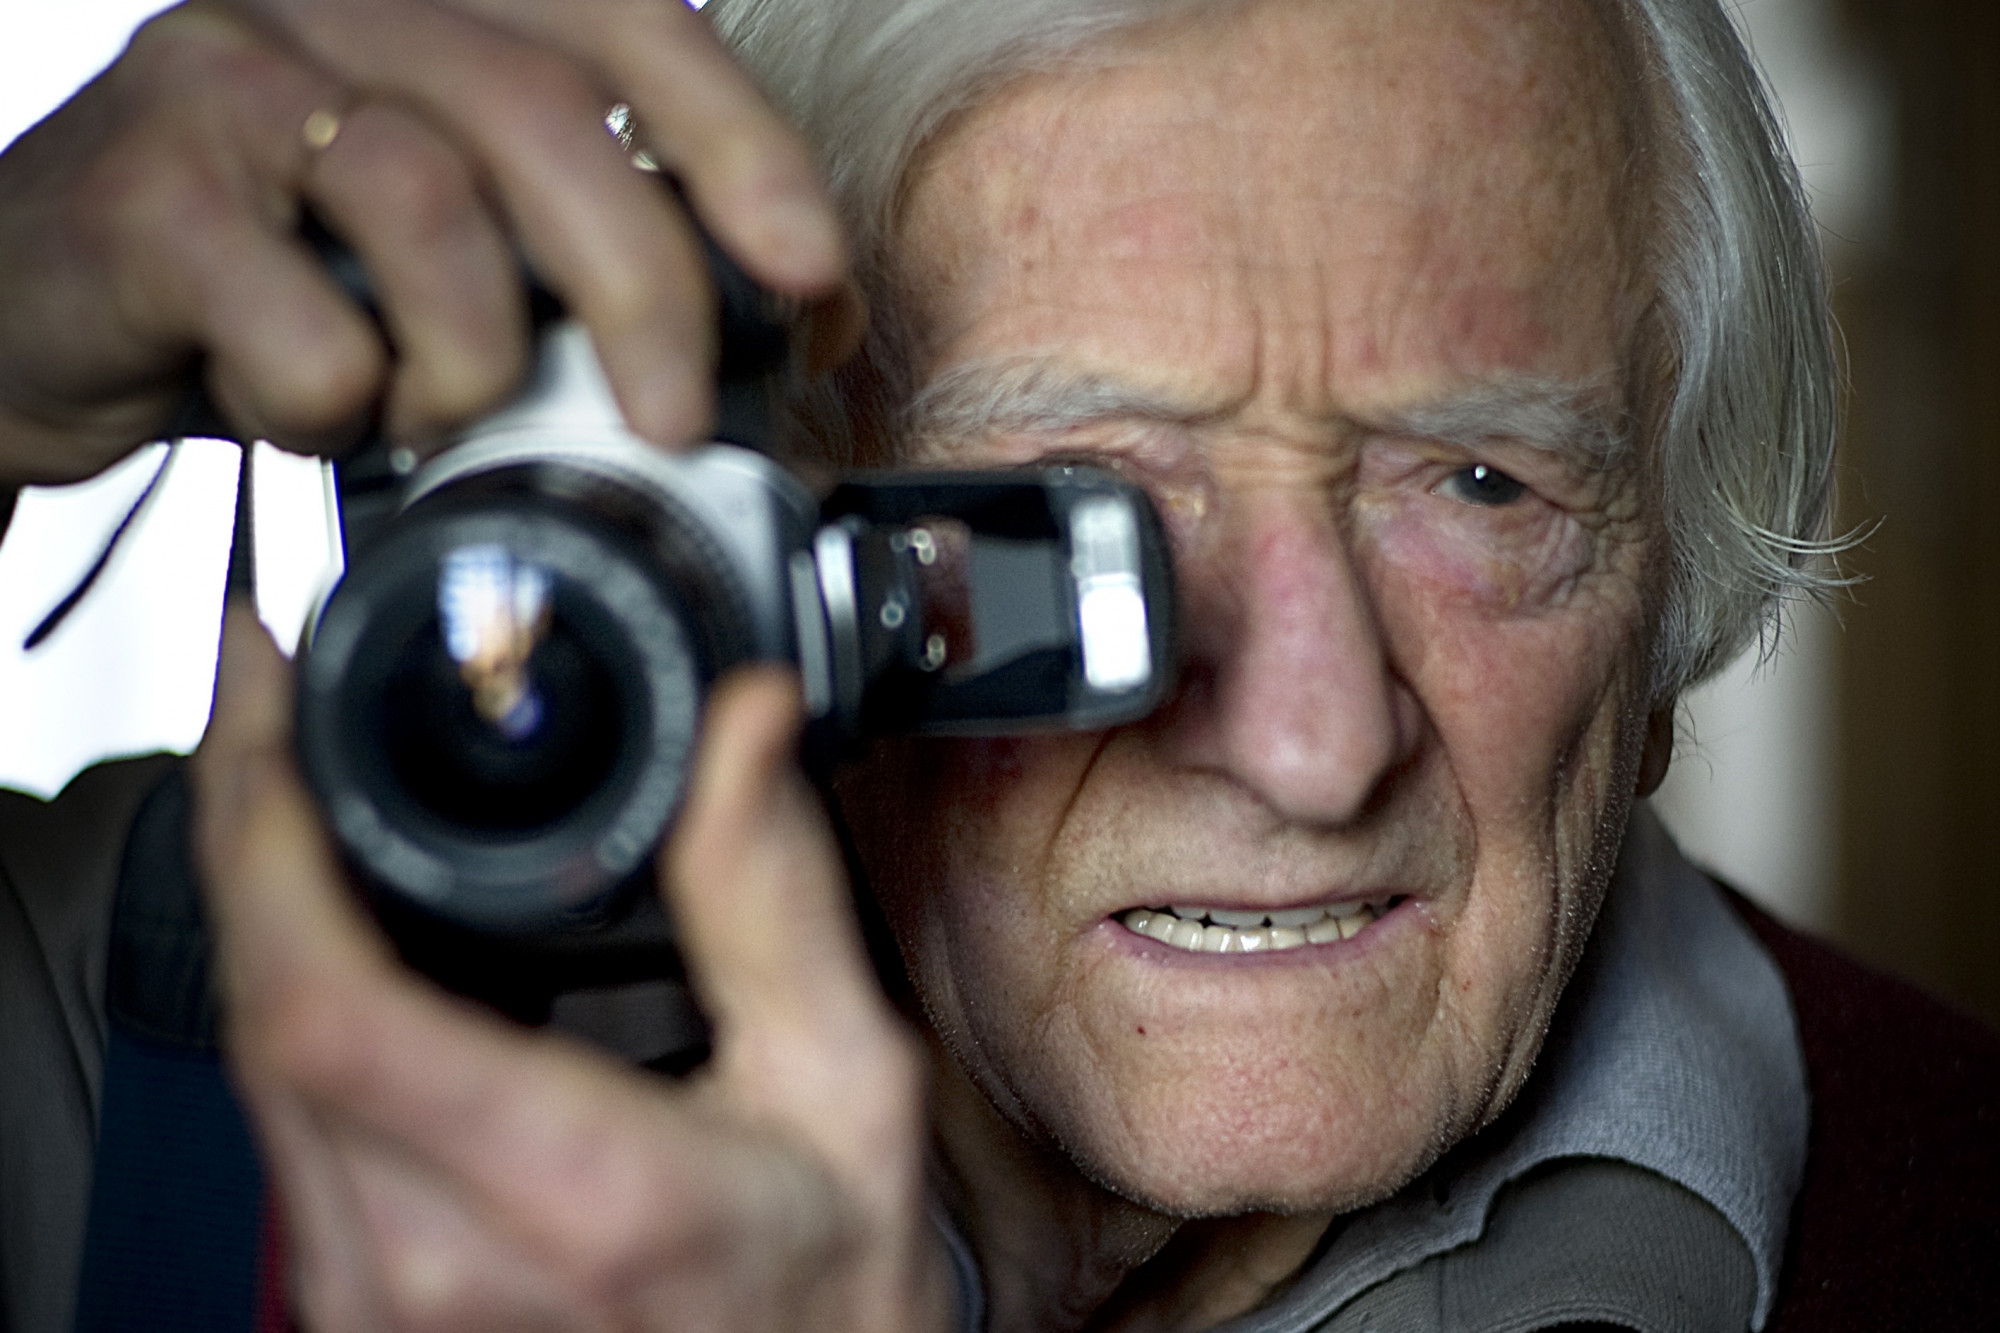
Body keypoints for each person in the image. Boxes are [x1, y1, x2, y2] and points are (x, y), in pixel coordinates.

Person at [1, 0, 1996, 1330]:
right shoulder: (198, 1031)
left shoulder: (1940, 1219)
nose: (1305, 744)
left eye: (1476, 482)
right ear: (770, 539)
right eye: (1079, 502)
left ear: (1665, 603)